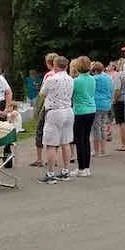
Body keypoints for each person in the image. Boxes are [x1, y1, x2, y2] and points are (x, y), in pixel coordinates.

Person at [38, 55, 75, 183]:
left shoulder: (52, 79)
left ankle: (50, 173)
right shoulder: (71, 79)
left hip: (54, 111)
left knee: (51, 144)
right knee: (66, 142)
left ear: (55, 65)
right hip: (68, 111)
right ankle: (65, 171)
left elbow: (42, 93)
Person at [31, 52, 58, 167]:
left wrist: (38, 108)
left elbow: (43, 93)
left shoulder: (48, 75)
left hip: (48, 106)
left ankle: (39, 158)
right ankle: (54, 158)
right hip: (59, 107)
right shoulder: (61, 74)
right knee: (55, 132)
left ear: (48, 63)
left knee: (40, 131)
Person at [71, 56, 97, 177]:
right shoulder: (93, 79)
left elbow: (71, 95)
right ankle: (86, 167)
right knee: (86, 139)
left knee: (79, 140)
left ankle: (81, 167)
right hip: (91, 110)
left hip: (80, 111)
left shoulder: (75, 81)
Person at [91, 61, 114, 158]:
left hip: (96, 104)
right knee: (103, 127)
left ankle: (96, 151)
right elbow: (112, 90)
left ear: (95, 70)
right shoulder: (109, 78)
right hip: (106, 105)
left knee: (96, 128)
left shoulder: (94, 79)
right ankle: (103, 150)